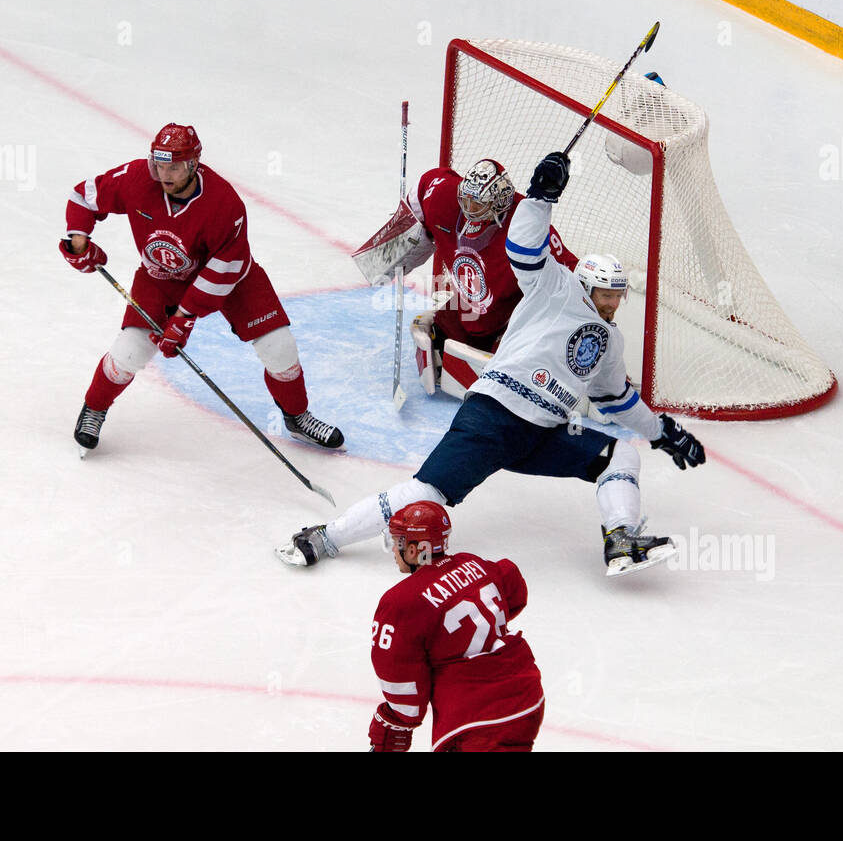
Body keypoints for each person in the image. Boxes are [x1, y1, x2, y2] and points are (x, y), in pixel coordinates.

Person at [278, 150, 706, 577]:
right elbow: (523, 246)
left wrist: (662, 431)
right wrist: (540, 197)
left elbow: (617, 400)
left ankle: (621, 542)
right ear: (583, 285)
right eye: (604, 293)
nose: (611, 303)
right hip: (493, 417)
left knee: (620, 459)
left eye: (617, 296)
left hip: (540, 432)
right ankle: (324, 537)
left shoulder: (610, 340)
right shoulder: (552, 285)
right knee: (426, 492)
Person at [59, 122, 344, 453]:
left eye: (174, 167)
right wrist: (79, 240)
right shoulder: (138, 180)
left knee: (279, 347)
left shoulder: (224, 204)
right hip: (161, 278)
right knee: (130, 351)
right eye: (159, 165)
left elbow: (224, 270)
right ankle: (94, 408)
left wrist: (184, 317)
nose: (164, 174)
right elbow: (85, 195)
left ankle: (297, 417)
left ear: (193, 164)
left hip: (234, 279)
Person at [352, 159, 578, 397]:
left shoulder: (527, 227)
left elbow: (570, 273)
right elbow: (422, 190)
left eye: (477, 203)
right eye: (466, 199)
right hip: (468, 309)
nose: (469, 209)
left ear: (499, 203)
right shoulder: (443, 195)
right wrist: (397, 246)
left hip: (510, 321)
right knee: (452, 327)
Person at [367, 502, 544, 752]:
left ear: (415, 549)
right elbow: (514, 589)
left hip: (477, 721)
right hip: (527, 699)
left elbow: (400, 676)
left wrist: (393, 726)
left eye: (398, 543)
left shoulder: (403, 601)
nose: (394, 551)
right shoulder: (473, 563)